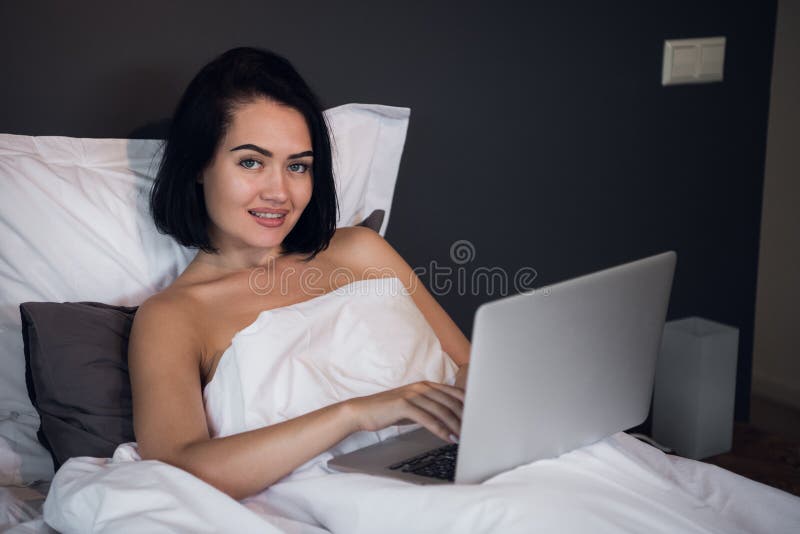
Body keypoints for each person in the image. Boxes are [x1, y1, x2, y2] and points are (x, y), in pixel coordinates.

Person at [128, 47, 471, 501]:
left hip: (459, 464)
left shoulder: (360, 251)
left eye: (297, 166)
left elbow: (469, 366)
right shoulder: (172, 316)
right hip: (351, 502)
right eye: (251, 162)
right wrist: (354, 414)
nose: (279, 192)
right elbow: (176, 467)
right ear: (198, 167)